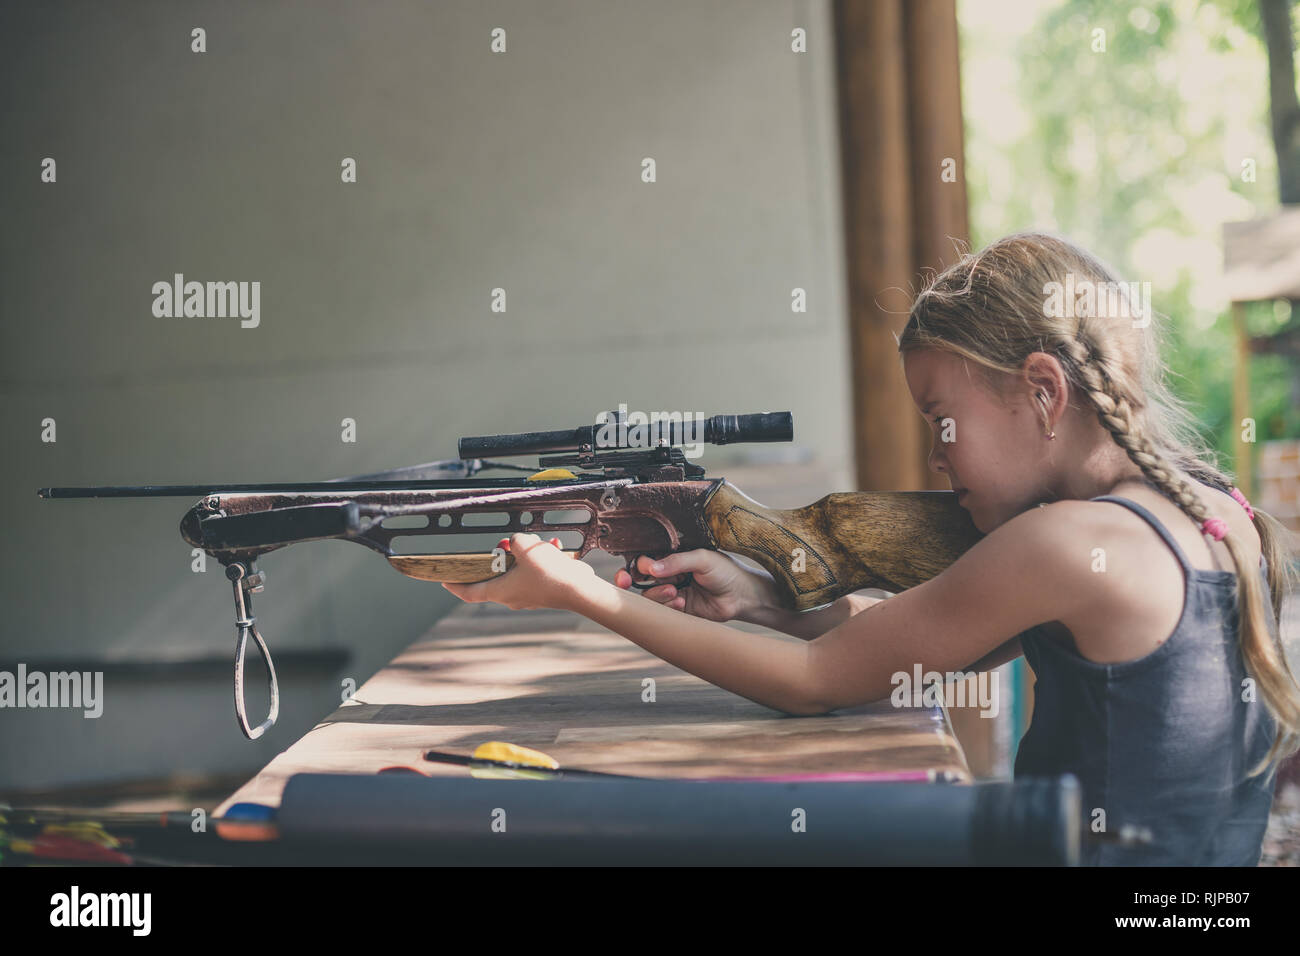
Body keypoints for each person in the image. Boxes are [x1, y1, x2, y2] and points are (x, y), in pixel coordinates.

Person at [443, 233, 1300, 865]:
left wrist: (584, 596)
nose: (936, 456)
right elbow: (916, 649)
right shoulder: (1211, 511)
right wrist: (764, 604)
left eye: (942, 420)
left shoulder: (1064, 545)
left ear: (1042, 391)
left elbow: (820, 690)